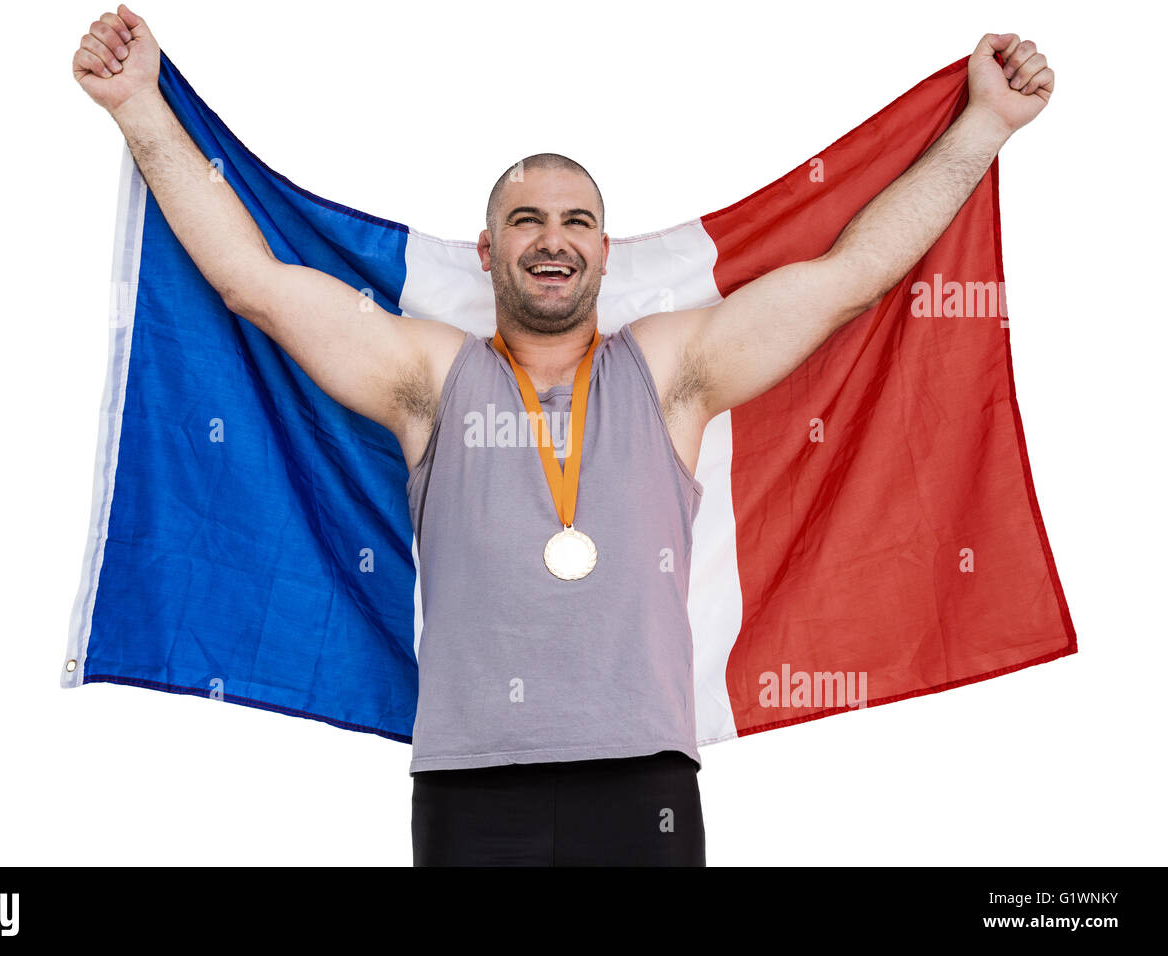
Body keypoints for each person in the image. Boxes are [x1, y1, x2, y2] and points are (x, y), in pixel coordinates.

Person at [72, 6, 1053, 866]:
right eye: (528, 220)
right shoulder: (430, 377)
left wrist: (984, 127)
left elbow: (852, 278)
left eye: (576, 221)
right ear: (488, 248)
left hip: (642, 786)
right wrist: (139, 108)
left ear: (603, 250)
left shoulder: (671, 371)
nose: (553, 238)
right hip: (468, 787)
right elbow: (253, 285)